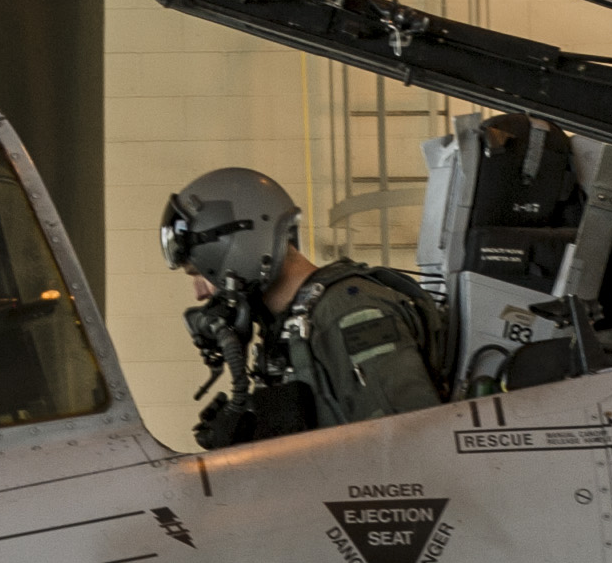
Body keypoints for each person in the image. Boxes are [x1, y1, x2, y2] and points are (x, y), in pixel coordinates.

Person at [157, 165, 449, 449]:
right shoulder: (288, 329)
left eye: (199, 275)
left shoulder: (350, 313)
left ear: (238, 252)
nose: (199, 294)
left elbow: (414, 446)